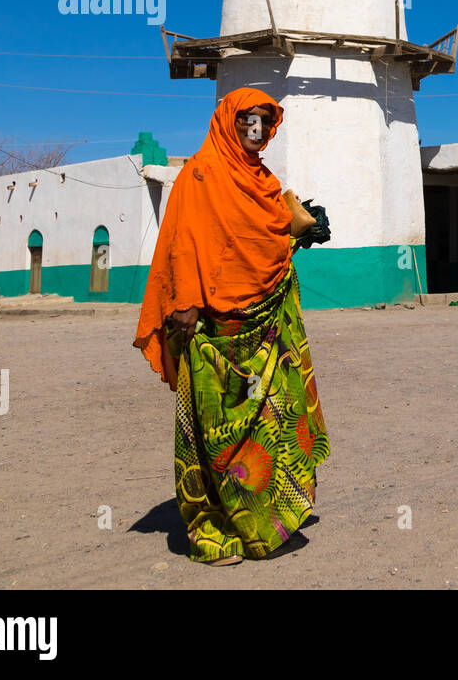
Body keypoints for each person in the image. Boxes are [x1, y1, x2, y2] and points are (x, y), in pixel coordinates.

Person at [133, 87, 330, 566]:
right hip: (210, 327)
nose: (255, 128)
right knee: (214, 435)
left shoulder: (264, 181)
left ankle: (262, 525)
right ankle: (210, 529)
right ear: (227, 120)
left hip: (263, 323)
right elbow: (186, 243)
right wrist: (184, 303)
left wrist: (302, 231)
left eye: (264, 120)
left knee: (269, 426)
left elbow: (264, 237)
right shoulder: (199, 175)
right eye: (247, 119)